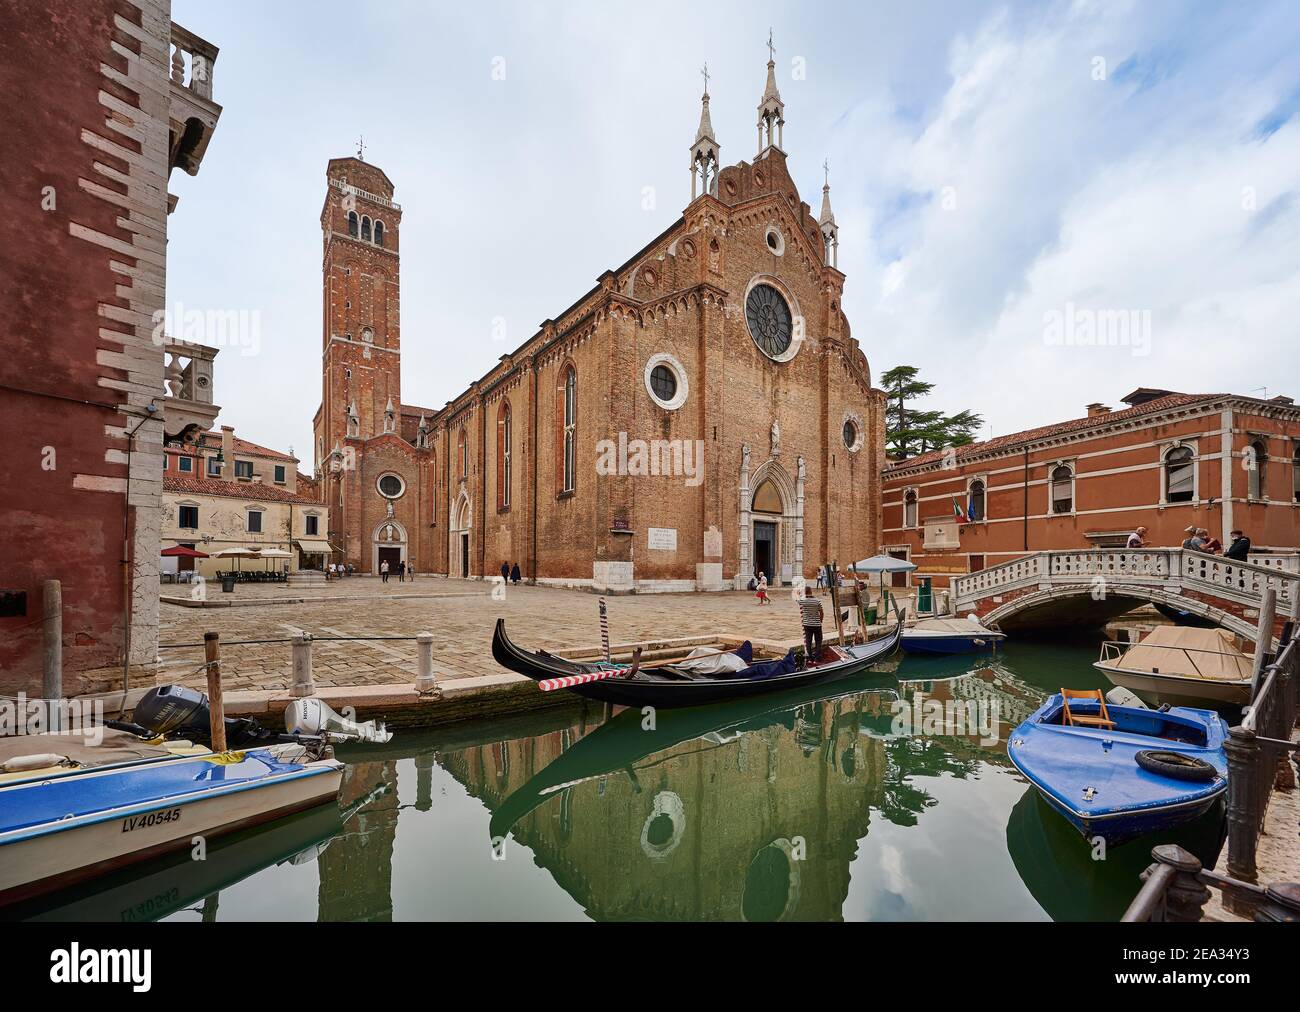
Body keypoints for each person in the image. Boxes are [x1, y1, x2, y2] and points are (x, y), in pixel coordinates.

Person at [799, 585, 824, 666]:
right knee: (818, 641)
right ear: (811, 591)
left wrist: (800, 593)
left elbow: (797, 598)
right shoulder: (817, 601)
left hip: (807, 624)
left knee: (808, 642)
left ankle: (809, 659)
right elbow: (821, 612)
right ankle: (817, 659)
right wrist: (820, 621)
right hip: (817, 625)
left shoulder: (802, 601)